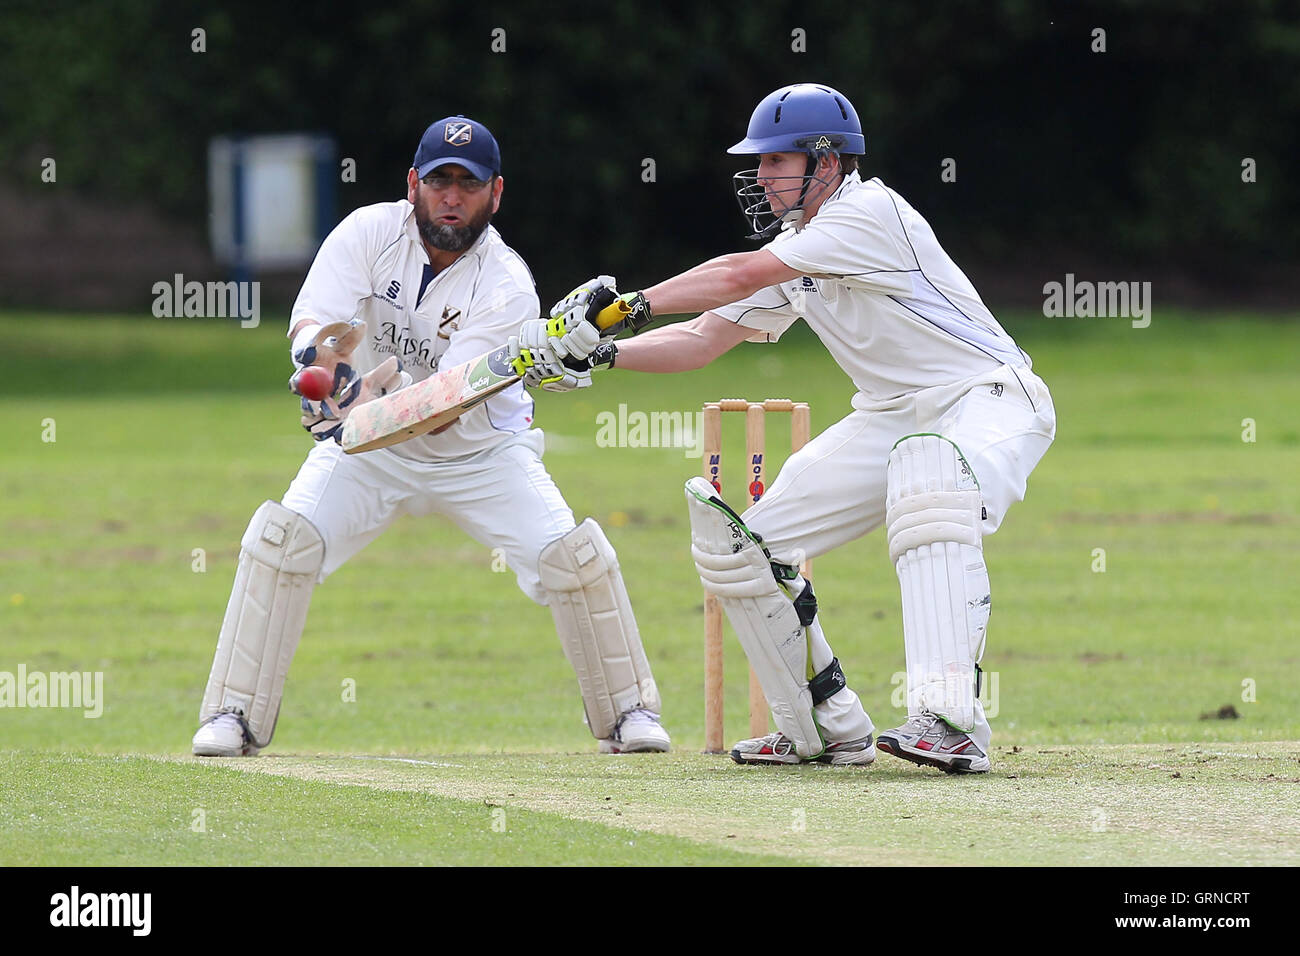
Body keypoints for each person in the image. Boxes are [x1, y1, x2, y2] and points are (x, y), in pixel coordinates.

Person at [544, 84, 1056, 773]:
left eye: (776, 160)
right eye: (758, 161)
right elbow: (701, 341)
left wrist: (627, 306)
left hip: (986, 398)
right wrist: (600, 355)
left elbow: (736, 274)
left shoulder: (869, 214)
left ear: (828, 161)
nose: (760, 175)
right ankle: (821, 726)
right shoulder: (800, 248)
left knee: (927, 474)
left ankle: (951, 720)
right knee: (741, 546)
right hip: (889, 415)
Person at [192, 115, 670, 758]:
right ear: (413, 183)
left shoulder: (507, 285)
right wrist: (325, 367)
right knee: (284, 543)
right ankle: (231, 713)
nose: (452, 198)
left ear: (495, 194)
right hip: (369, 454)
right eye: (440, 181)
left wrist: (359, 404)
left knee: (570, 560)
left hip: (479, 452)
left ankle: (630, 712)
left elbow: (446, 403)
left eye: (468, 186)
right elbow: (316, 320)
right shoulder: (368, 232)